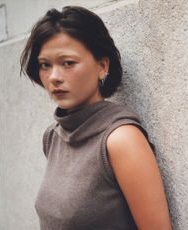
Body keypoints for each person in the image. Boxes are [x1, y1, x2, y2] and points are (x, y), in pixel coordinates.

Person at [20, 6, 172, 230]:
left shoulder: (120, 139)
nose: (53, 77)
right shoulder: (53, 136)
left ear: (102, 66)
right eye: (45, 65)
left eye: (68, 63)